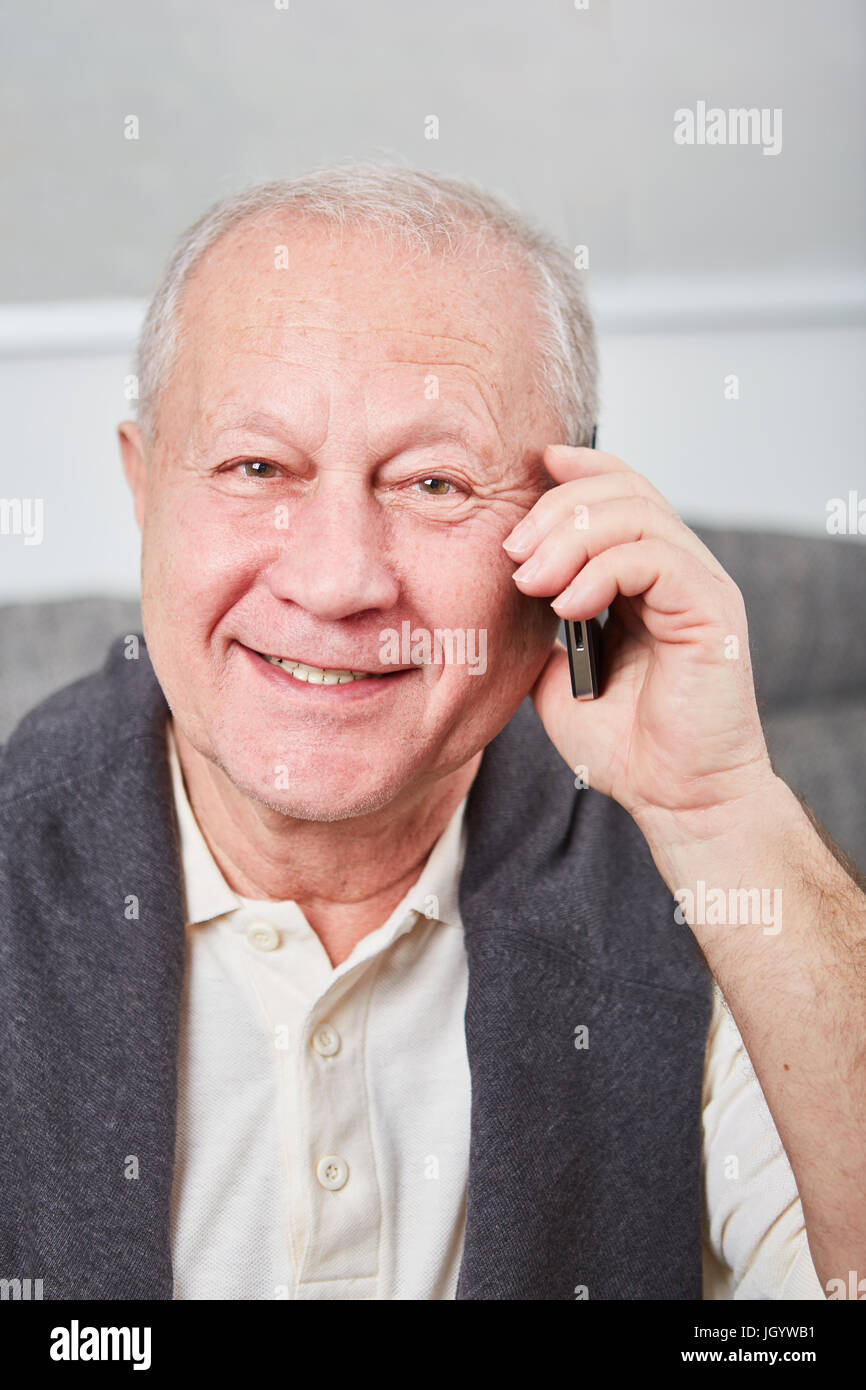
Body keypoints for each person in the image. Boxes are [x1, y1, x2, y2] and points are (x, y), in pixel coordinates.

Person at [1, 164, 863, 1301]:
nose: (336, 577)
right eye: (257, 466)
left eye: (435, 484)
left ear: (566, 522)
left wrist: (721, 813)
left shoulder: (701, 894)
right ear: (145, 489)